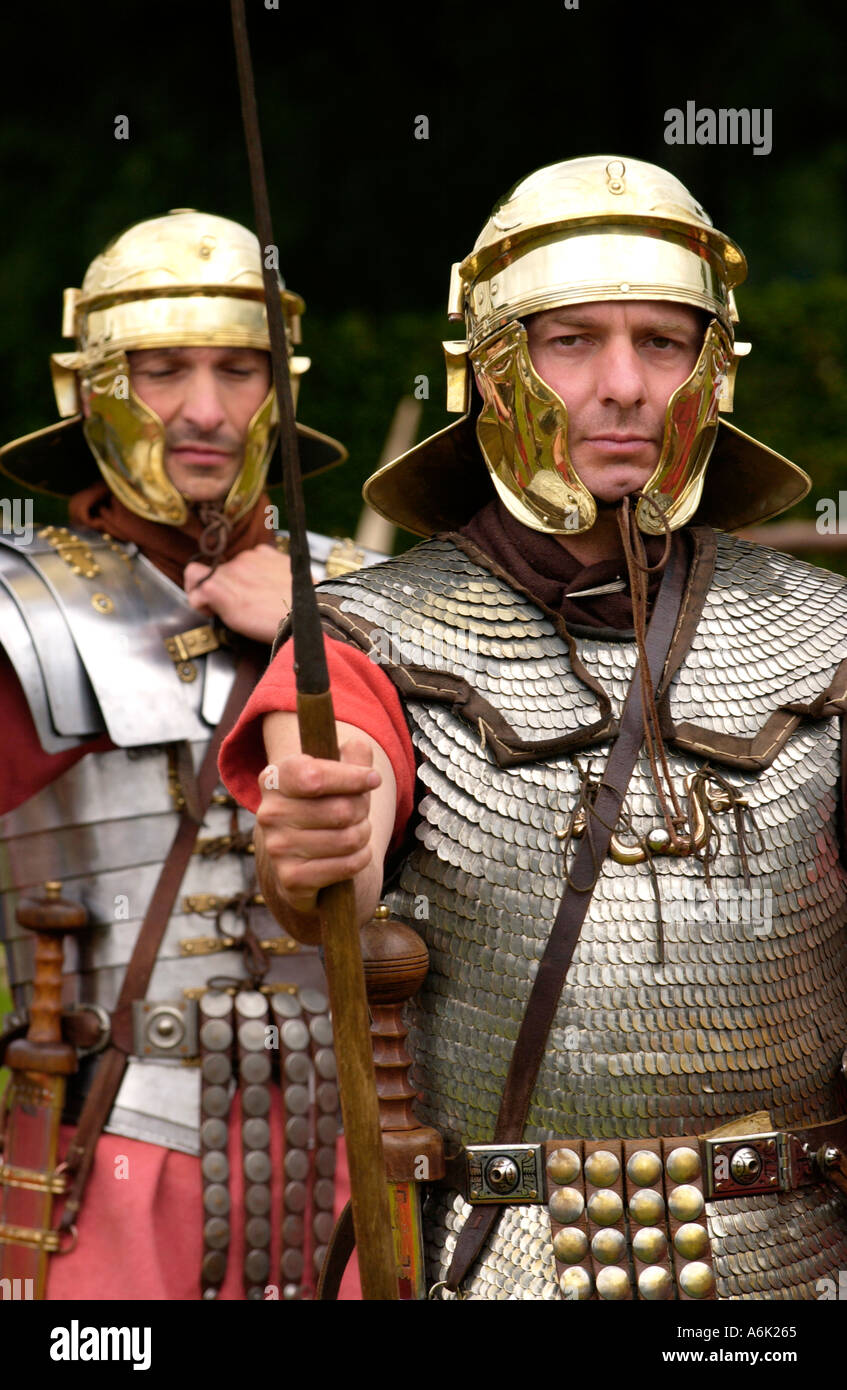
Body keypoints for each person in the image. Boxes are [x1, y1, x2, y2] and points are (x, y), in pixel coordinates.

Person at [220, 156, 847, 1301]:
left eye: (662, 342)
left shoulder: (827, 634)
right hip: (508, 1261)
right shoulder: (370, 636)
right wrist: (318, 843)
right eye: (570, 342)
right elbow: (331, 813)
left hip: (799, 1260)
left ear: (713, 369)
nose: (622, 385)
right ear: (493, 371)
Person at [0, 210, 382, 1300]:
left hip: (361, 1148)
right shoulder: (16, 610)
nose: (204, 411)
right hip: (118, 1145)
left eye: (240, 369)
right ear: (87, 388)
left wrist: (324, 629)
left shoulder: (373, 597)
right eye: (161, 370)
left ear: (284, 387)